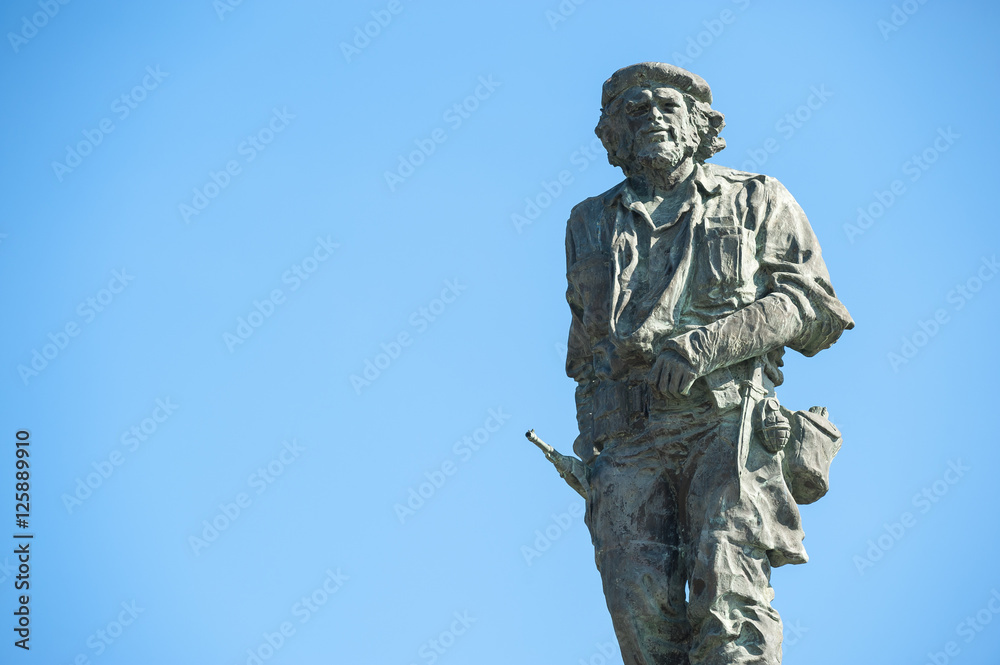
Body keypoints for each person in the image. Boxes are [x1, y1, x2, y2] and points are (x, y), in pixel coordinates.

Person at [562, 62, 854, 665]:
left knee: (729, 594)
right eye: (632, 110)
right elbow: (585, 351)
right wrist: (594, 450)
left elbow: (814, 306)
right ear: (611, 136)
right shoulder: (588, 222)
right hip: (627, 442)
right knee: (639, 615)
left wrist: (706, 346)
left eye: (667, 106)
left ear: (700, 126)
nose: (651, 118)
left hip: (725, 425)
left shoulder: (756, 197)